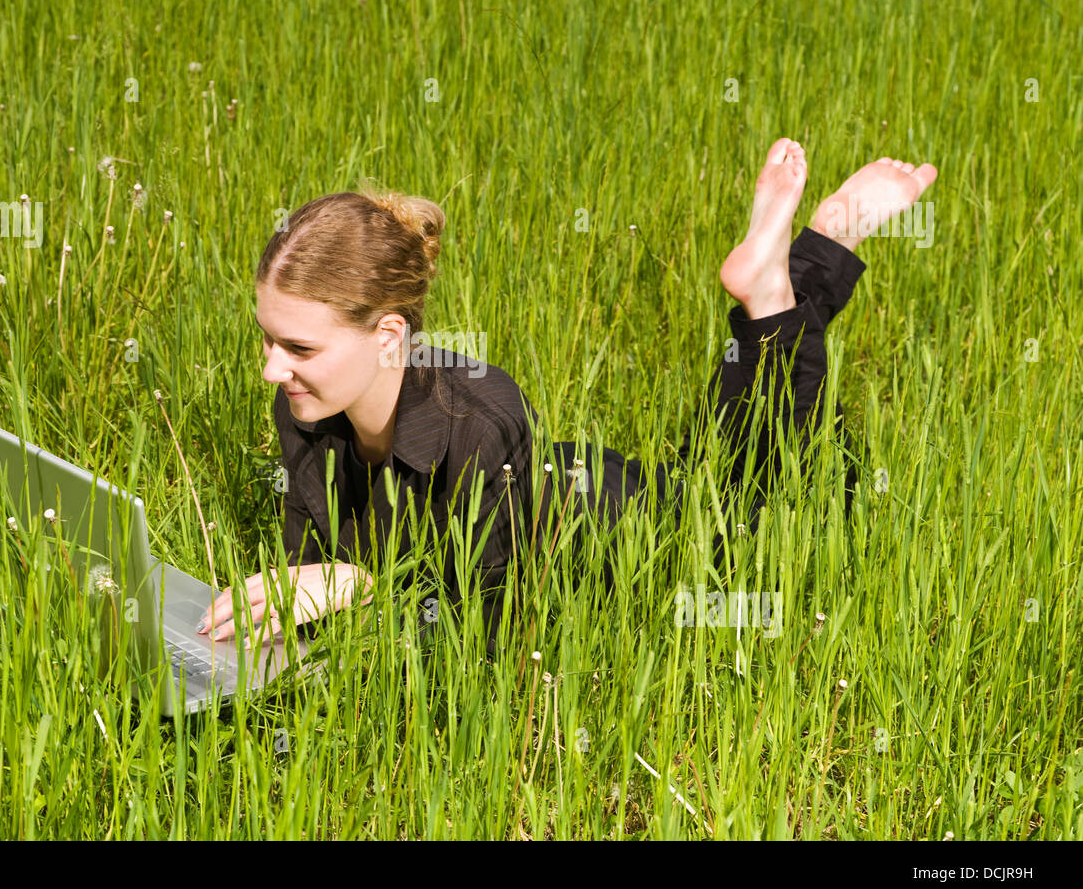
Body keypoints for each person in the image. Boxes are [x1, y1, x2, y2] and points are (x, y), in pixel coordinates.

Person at [198, 141, 937, 653]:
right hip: (555, 487)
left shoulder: (479, 420)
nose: (271, 369)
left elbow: (478, 636)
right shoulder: (304, 407)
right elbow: (312, 579)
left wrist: (357, 585)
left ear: (389, 334)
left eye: (298, 347)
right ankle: (782, 276)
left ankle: (805, 259)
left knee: (784, 507)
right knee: (727, 453)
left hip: (631, 535)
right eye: (268, 339)